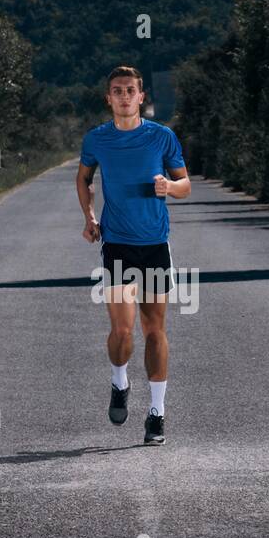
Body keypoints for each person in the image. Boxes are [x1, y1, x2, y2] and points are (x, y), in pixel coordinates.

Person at [76, 65, 190, 444]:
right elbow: (83, 177)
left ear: (142, 97)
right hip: (118, 246)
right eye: (117, 90)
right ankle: (119, 381)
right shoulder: (97, 139)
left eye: (130, 90)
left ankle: (157, 414)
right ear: (108, 98)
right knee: (122, 332)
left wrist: (169, 187)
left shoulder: (162, 137)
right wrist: (89, 217)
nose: (124, 96)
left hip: (155, 245)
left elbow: (186, 185)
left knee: (155, 331)